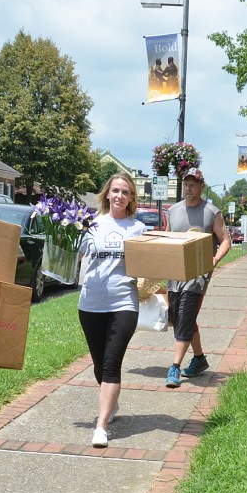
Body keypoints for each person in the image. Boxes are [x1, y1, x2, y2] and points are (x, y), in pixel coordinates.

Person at [77, 173, 148, 448]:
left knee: (111, 364)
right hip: (91, 303)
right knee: (99, 364)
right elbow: (73, 254)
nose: (120, 196)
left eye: (126, 192)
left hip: (124, 303)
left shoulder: (138, 229)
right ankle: (111, 404)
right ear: (107, 194)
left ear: (131, 199)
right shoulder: (90, 225)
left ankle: (101, 426)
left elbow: (149, 265)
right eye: (115, 190)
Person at [164, 167, 232, 388]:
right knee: (178, 317)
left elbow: (225, 240)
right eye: (186, 184)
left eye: (194, 184)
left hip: (198, 276)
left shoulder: (211, 212)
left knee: (184, 315)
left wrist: (214, 260)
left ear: (202, 186)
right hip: (174, 273)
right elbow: (166, 237)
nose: (189, 188)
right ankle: (199, 359)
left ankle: (174, 366)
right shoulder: (173, 210)